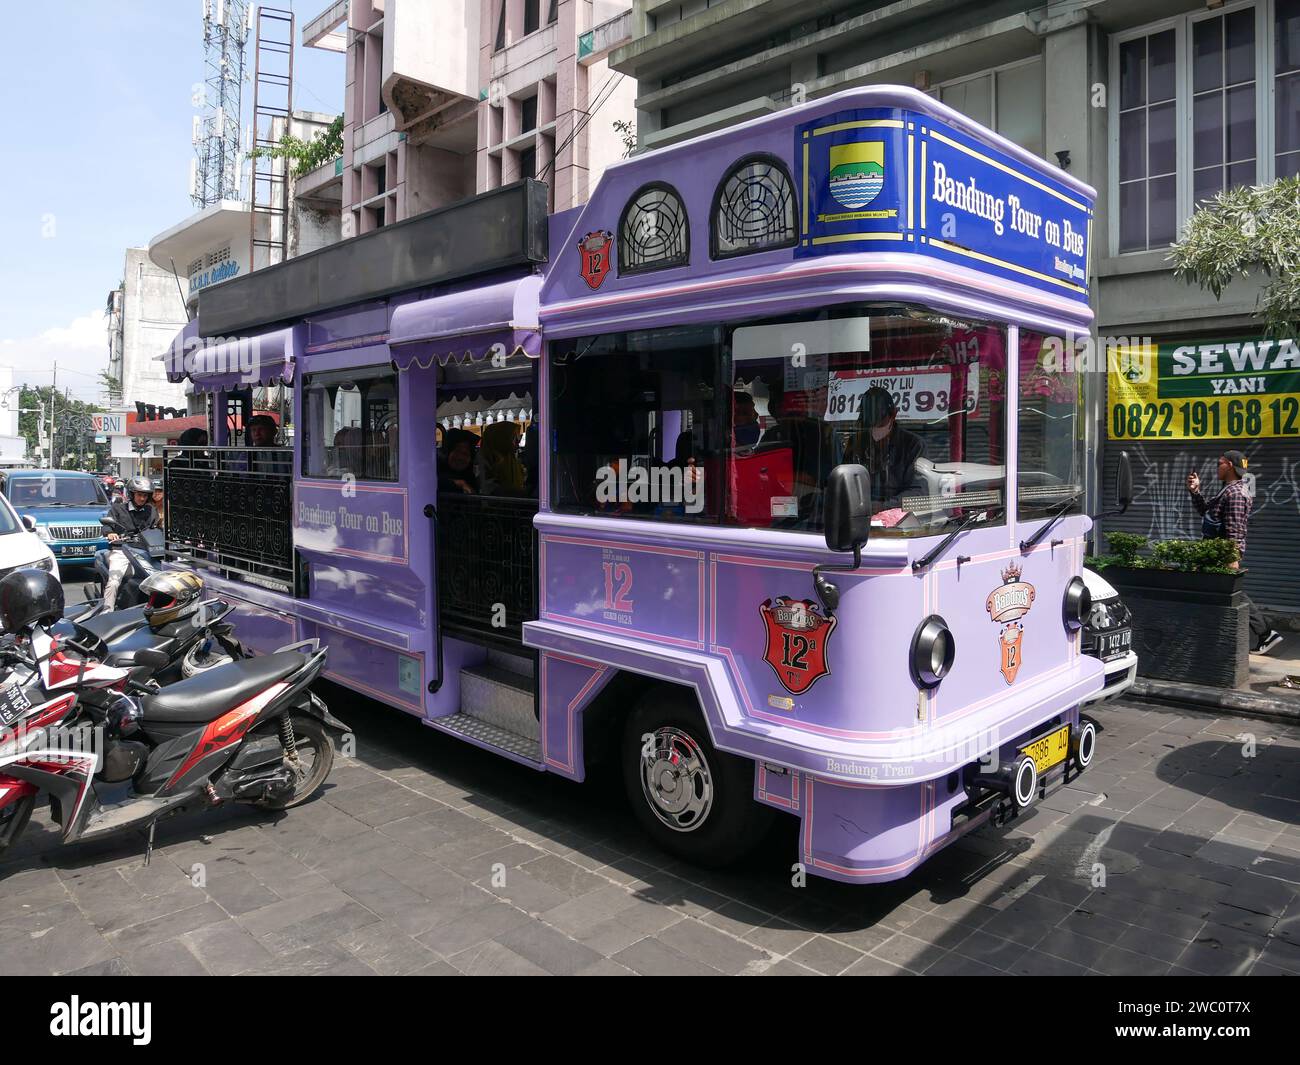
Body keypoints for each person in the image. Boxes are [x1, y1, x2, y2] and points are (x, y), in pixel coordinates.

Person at [1187, 450, 1282, 655]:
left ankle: (1265, 632)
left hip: (1221, 556)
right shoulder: (1228, 490)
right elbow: (1206, 512)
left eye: (1219, 463)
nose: (1216, 467)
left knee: (1234, 594)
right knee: (1223, 593)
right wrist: (1195, 491)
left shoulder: (1237, 493)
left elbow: (1235, 529)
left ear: (1229, 465)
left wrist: (1232, 557)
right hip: (1213, 554)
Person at [850, 386, 923, 509]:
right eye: (871, 424)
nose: (876, 429)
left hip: (900, 519)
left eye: (881, 423)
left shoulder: (913, 445)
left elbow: (918, 492)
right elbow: (845, 482)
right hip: (859, 513)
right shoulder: (856, 442)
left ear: (893, 414)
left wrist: (884, 506)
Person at [101, 475, 159, 611]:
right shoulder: (117, 509)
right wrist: (110, 533)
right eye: (139, 495)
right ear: (132, 494)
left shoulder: (151, 511)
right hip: (121, 550)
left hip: (144, 551)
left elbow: (156, 529)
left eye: (145, 495)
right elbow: (106, 526)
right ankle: (106, 611)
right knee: (114, 581)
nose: (142, 498)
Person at [480, 421, 526, 496]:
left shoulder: (512, 459)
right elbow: (491, 490)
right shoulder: (485, 463)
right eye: (515, 439)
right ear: (502, 439)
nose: (518, 444)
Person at [438, 428, 478, 494]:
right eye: (457, 451)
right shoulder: (436, 471)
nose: (460, 457)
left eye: (465, 454)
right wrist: (456, 483)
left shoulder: (471, 478)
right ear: (448, 453)